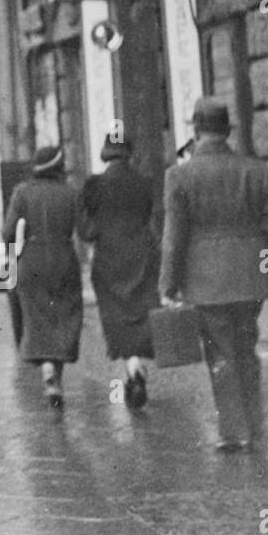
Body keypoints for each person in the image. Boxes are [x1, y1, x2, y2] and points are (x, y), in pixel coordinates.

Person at [158, 98, 268, 452]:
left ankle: (235, 430)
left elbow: (173, 239)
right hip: (249, 276)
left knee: (221, 354)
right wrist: (260, 257)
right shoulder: (255, 170)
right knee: (246, 348)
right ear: (227, 130)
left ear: (196, 130)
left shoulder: (179, 175)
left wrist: (168, 284)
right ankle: (253, 424)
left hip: (206, 281)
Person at [77, 132, 160, 409]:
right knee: (140, 313)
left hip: (108, 261)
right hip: (142, 258)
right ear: (129, 152)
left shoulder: (93, 186)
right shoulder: (144, 183)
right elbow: (150, 217)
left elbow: (86, 232)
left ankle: (133, 368)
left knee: (117, 317)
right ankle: (136, 367)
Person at [2, 145, 82, 408]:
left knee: (37, 319)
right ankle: (56, 375)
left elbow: (8, 232)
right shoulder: (70, 193)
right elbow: (84, 228)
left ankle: (46, 369)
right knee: (63, 316)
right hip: (63, 258)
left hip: (31, 261)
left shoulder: (22, 192)